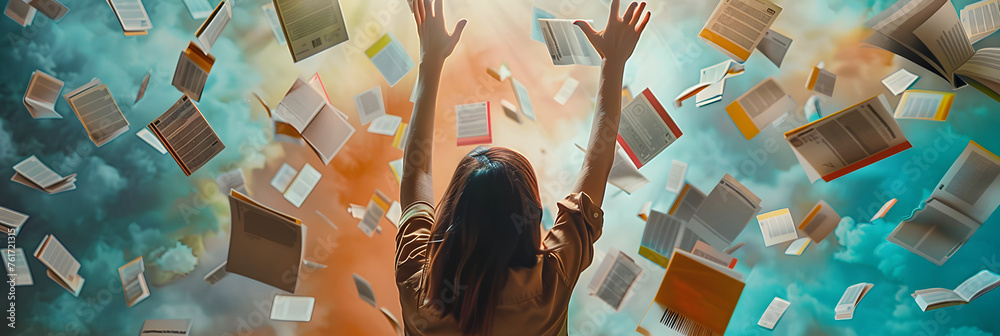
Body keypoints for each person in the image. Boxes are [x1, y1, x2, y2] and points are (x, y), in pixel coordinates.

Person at [396, 0, 651, 335]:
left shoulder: (418, 286)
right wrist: (613, 63)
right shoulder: (552, 281)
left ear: (453, 213)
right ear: (528, 217)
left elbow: (416, 173)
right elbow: (597, 163)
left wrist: (430, 62)